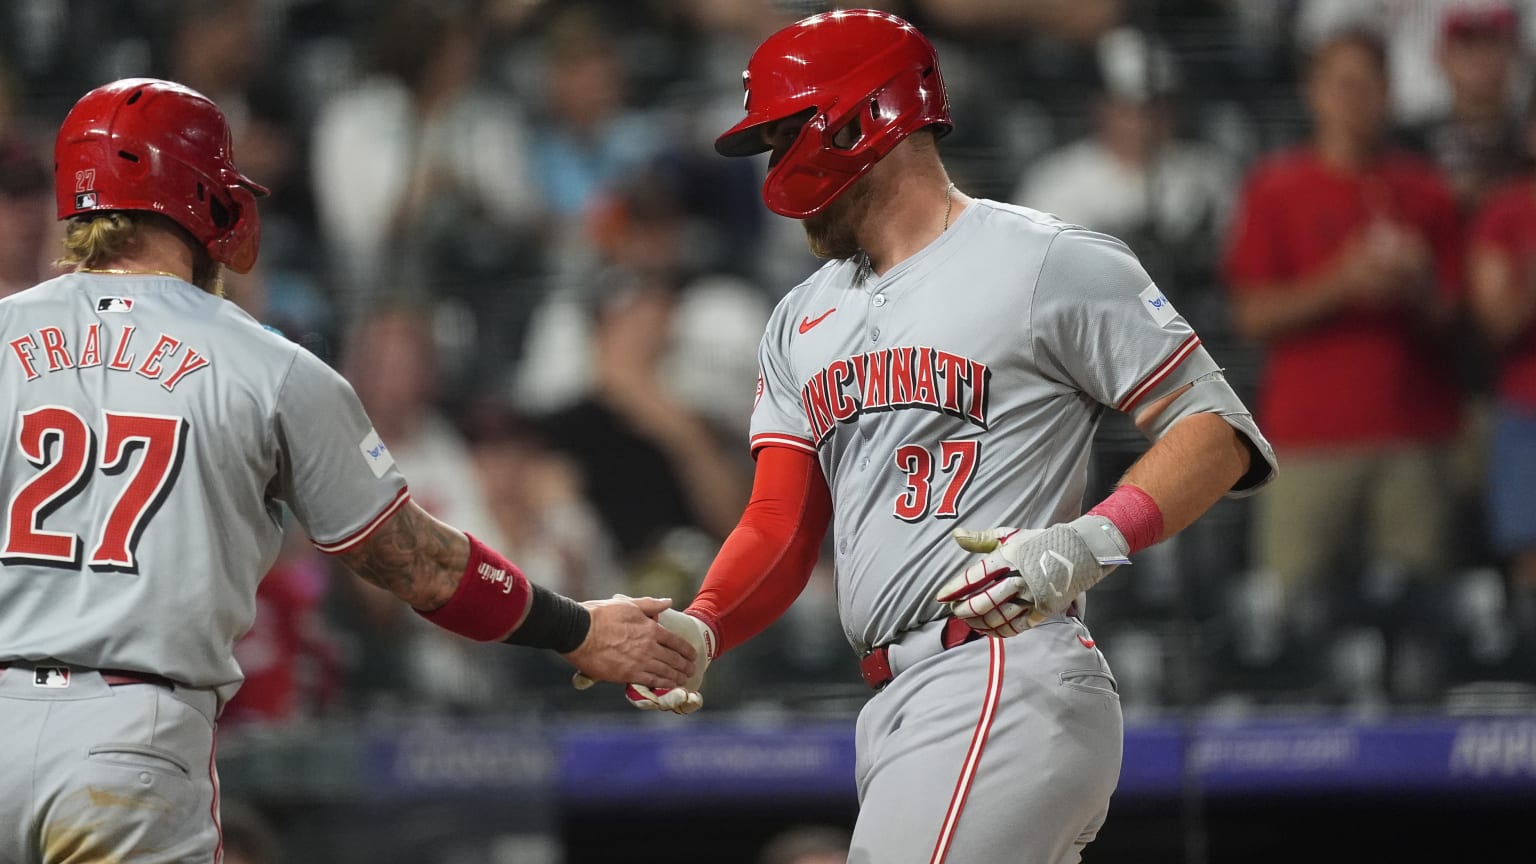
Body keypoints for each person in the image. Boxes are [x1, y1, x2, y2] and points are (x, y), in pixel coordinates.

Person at [584, 11, 1276, 864]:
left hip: (996, 668)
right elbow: (779, 524)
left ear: (857, 117)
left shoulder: (1043, 260)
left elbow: (1216, 428)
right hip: (897, 702)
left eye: (783, 131)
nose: (774, 162)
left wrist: (1090, 540)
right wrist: (706, 624)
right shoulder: (801, 318)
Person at [0, 77, 694, 862]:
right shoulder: (265, 363)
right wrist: (577, 629)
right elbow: (418, 565)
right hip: (127, 733)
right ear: (204, 197)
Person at [1223, 30, 1465, 702]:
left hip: (1413, 434)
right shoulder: (1276, 188)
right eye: (1342, 84)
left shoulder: (1424, 191)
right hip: (1307, 438)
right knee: (1293, 619)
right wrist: (1343, 283)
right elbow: (1250, 315)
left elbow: (1457, 317)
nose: (1355, 100)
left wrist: (1415, 289)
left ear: (1389, 94)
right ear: (1315, 93)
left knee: (1419, 624)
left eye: (1369, 85)